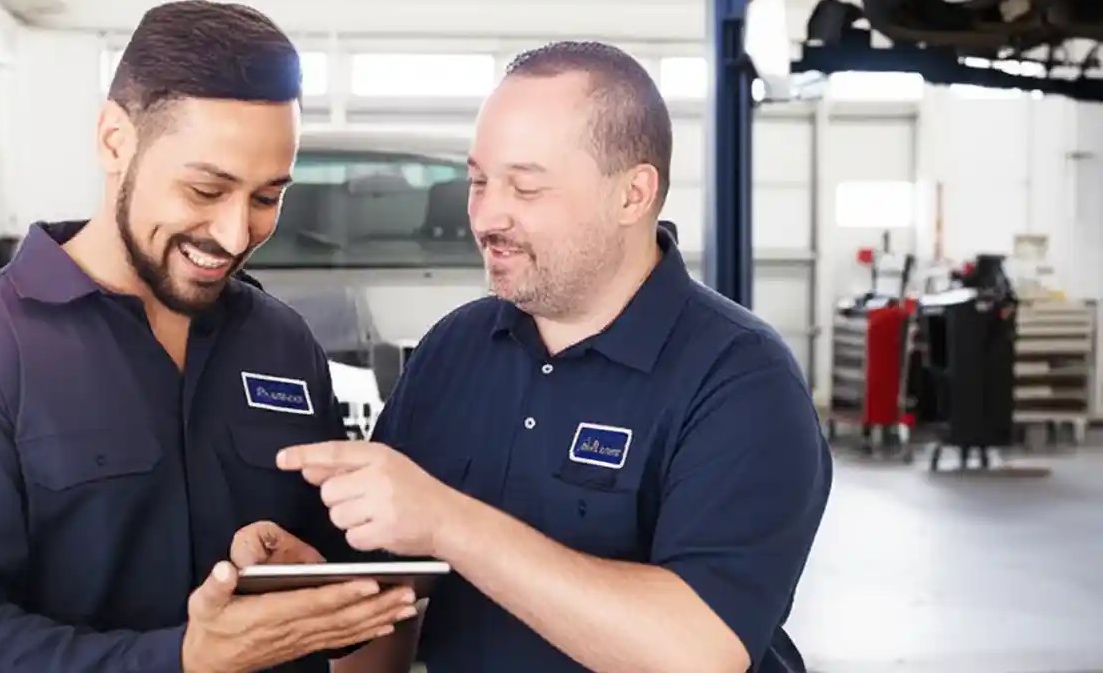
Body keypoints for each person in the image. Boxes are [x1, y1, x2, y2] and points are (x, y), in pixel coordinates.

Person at [0, 0, 417, 673]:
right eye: (205, 189)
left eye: (268, 197)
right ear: (113, 140)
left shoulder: (282, 343)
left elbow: (335, 570)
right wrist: (184, 659)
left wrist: (317, 582)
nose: (235, 234)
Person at [280, 42, 834, 673]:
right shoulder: (453, 351)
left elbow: (698, 651)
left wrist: (448, 523)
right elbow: (391, 596)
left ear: (633, 195)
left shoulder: (741, 381)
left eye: (526, 187)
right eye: (479, 182)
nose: (487, 216)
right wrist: (313, 579)